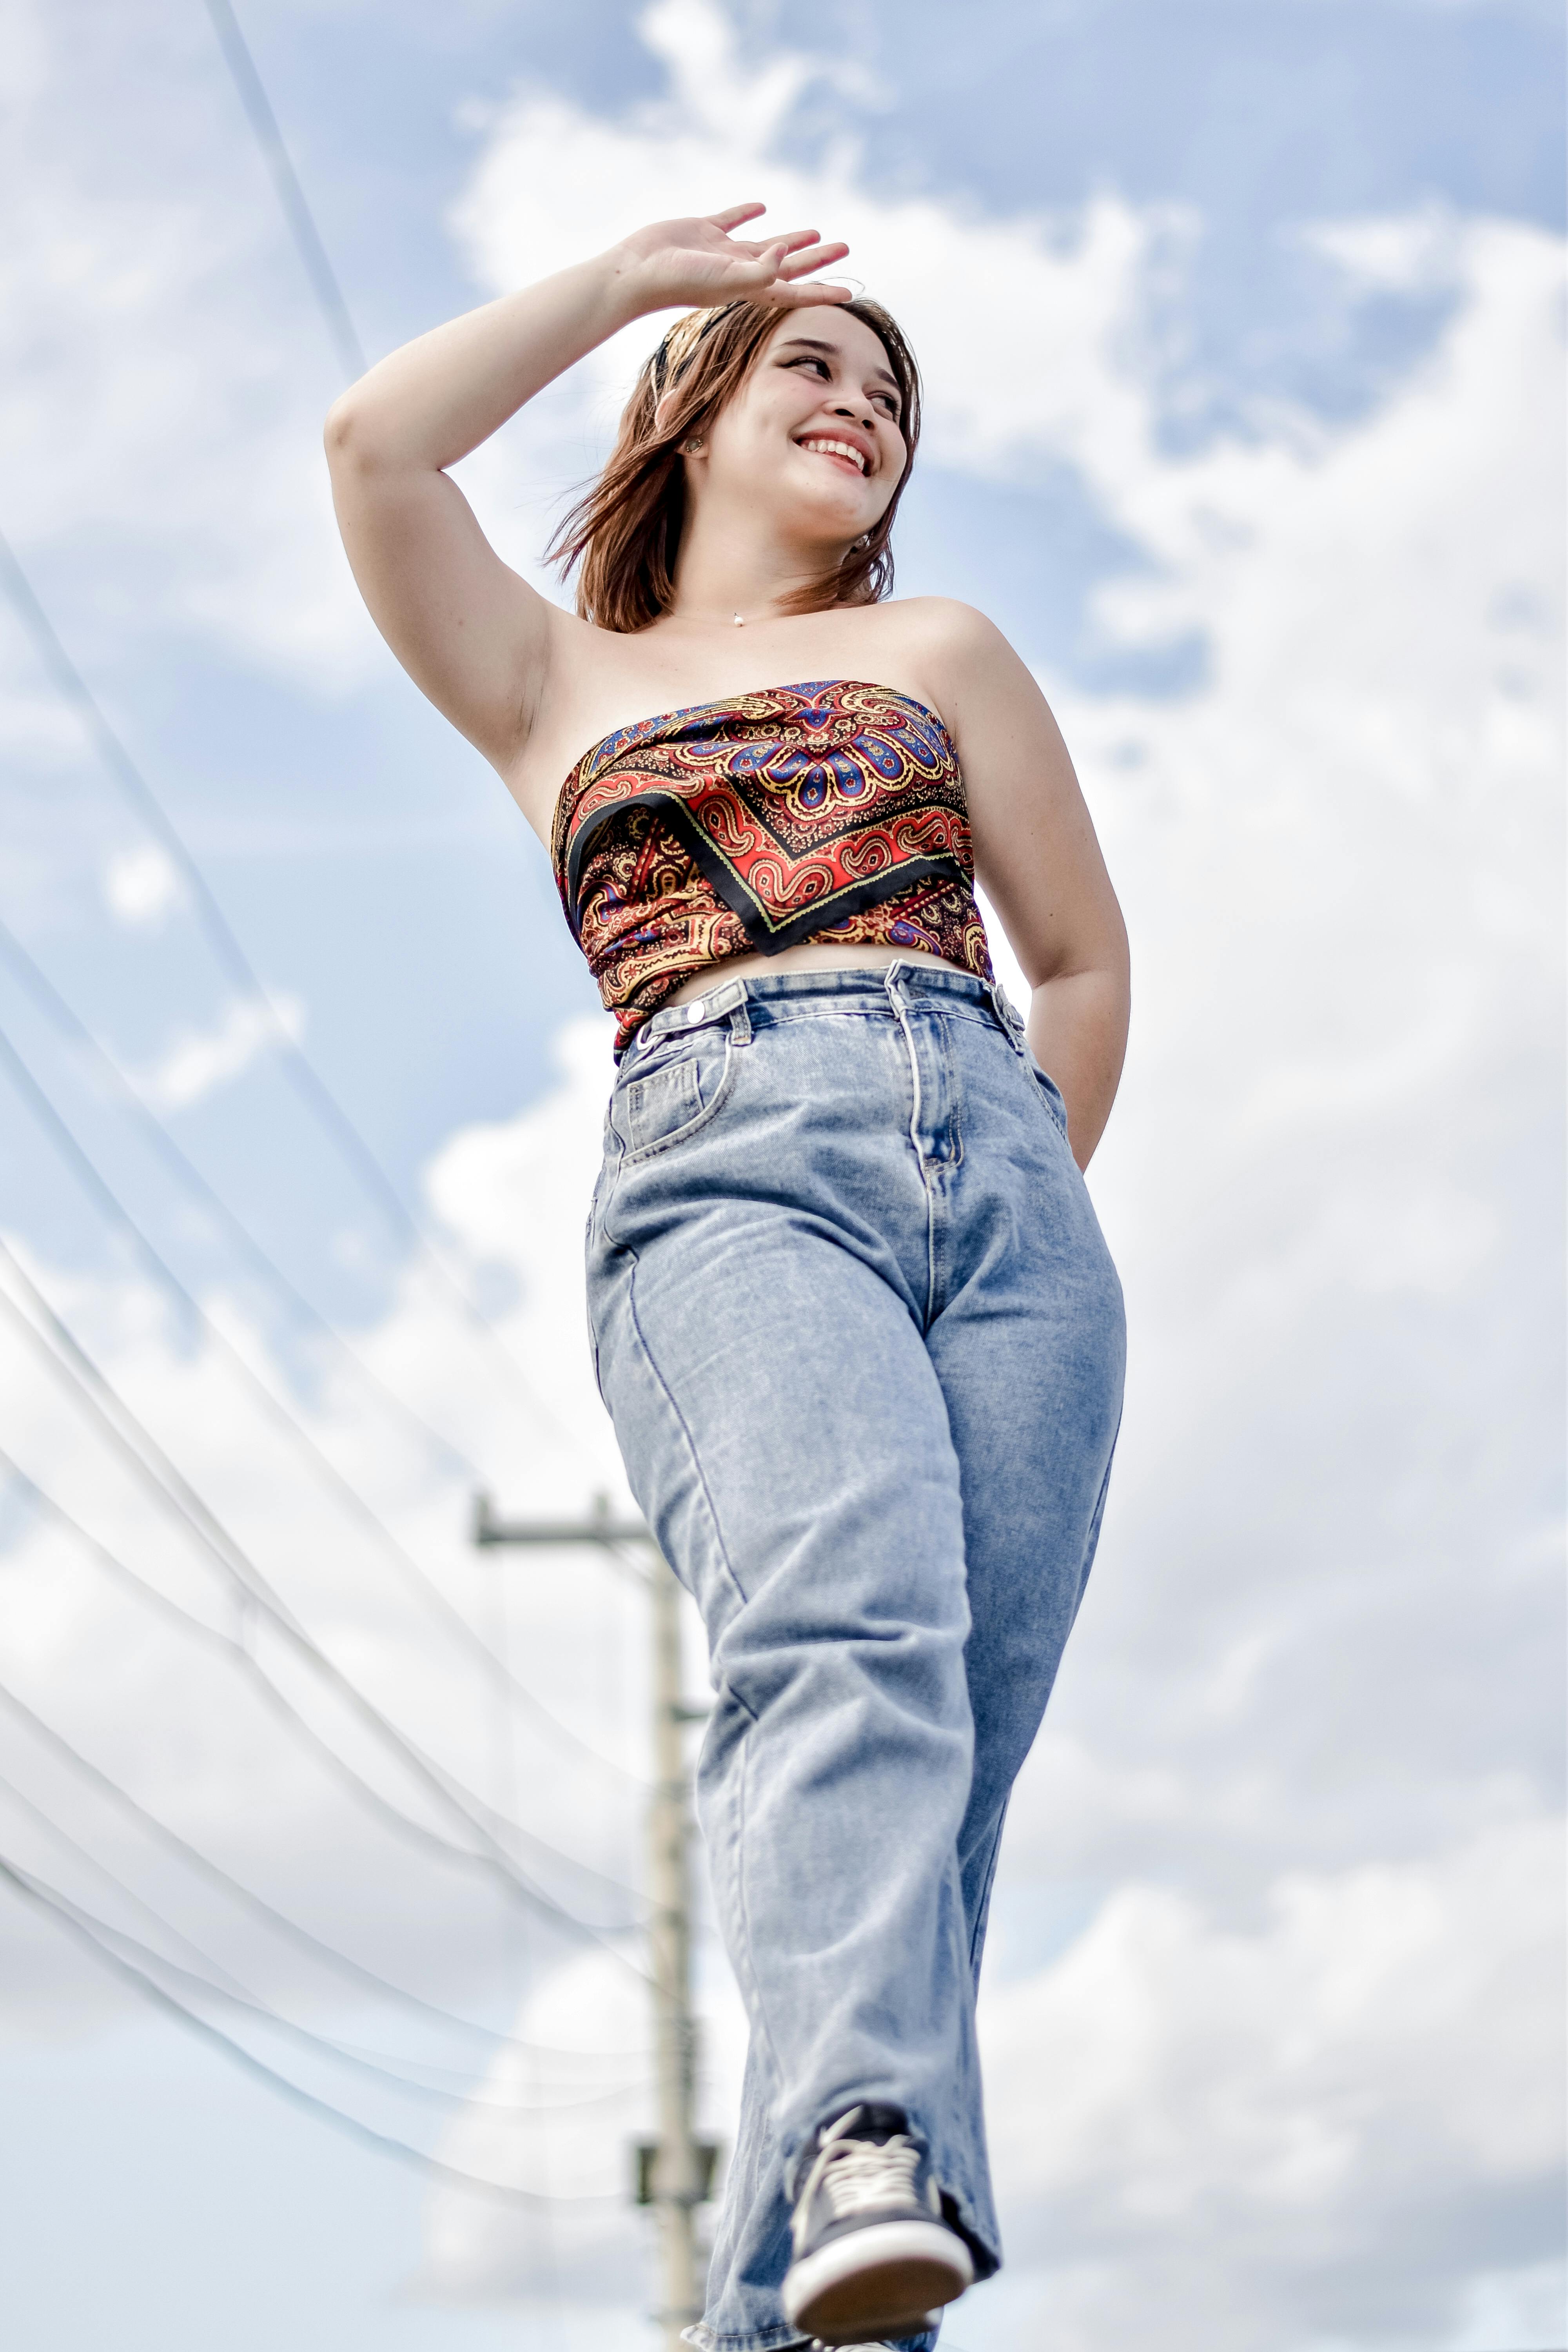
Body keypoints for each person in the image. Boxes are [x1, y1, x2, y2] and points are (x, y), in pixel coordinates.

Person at [326, 204, 1128, 2352]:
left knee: (943, 1771)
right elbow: (375, 452)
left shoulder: (941, 652)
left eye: (891, 393)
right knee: (850, 1633)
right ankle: (865, 2130)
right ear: (692, 410)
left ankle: (815, 2292)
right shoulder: (550, 682)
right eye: (812, 368)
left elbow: (1081, 961)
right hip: (728, 1169)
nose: (862, 405)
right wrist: (627, 281)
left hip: (1009, 1190)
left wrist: (1034, 1181)